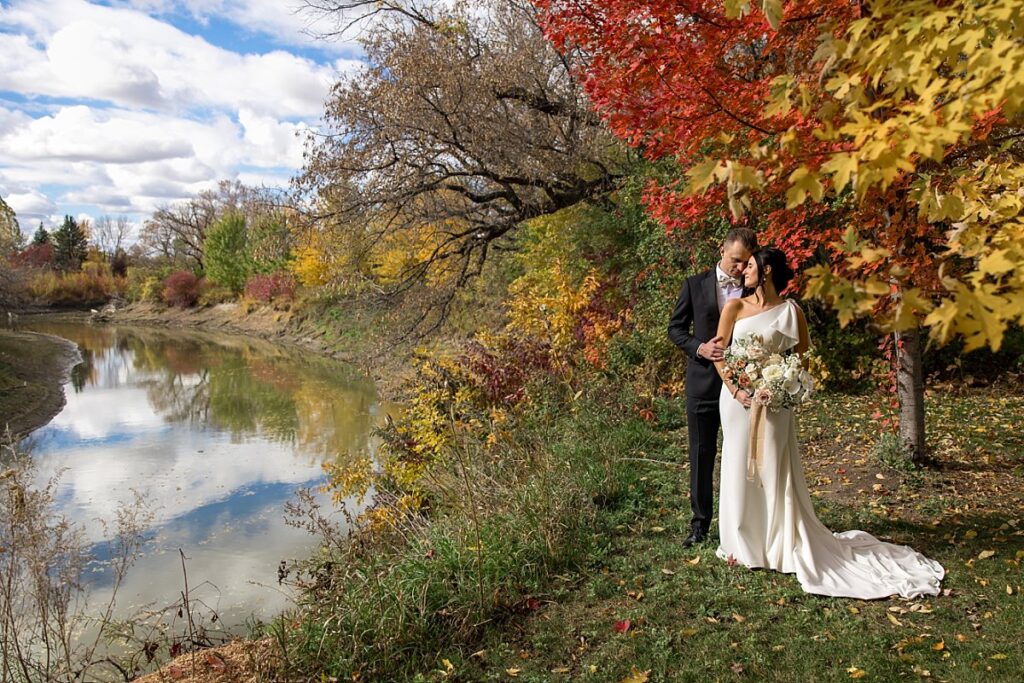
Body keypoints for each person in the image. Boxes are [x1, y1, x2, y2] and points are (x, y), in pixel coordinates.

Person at [713, 247, 944, 599]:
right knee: (737, 463)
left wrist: (785, 384)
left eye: (750, 266)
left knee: (772, 467)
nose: (743, 271)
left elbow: (803, 358)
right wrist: (736, 389)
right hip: (736, 401)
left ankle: (777, 545)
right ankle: (740, 543)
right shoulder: (734, 307)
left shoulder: (791, 312)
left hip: (774, 402)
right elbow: (719, 354)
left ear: (767, 270)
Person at [668, 228, 758, 547]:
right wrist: (699, 347)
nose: (740, 268)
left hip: (743, 384)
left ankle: (745, 524)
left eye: (745, 262)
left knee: (744, 454)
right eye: (735, 260)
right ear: (722, 249)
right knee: (702, 454)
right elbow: (675, 329)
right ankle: (700, 525)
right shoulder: (694, 284)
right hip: (703, 383)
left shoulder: (754, 287)